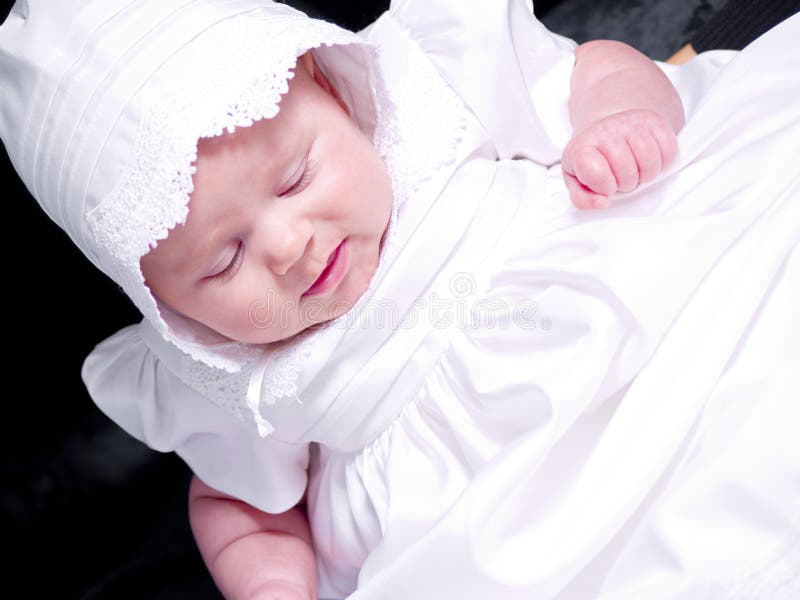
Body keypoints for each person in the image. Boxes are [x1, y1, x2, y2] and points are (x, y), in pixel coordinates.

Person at [1, 2, 797, 600]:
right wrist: (271, 585)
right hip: (485, 527)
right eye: (222, 261)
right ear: (164, 303)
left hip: (638, 321)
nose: (286, 246)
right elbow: (239, 505)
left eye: (295, 178)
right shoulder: (217, 373)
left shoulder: (430, 93)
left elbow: (594, 64)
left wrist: (618, 116)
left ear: (330, 84)